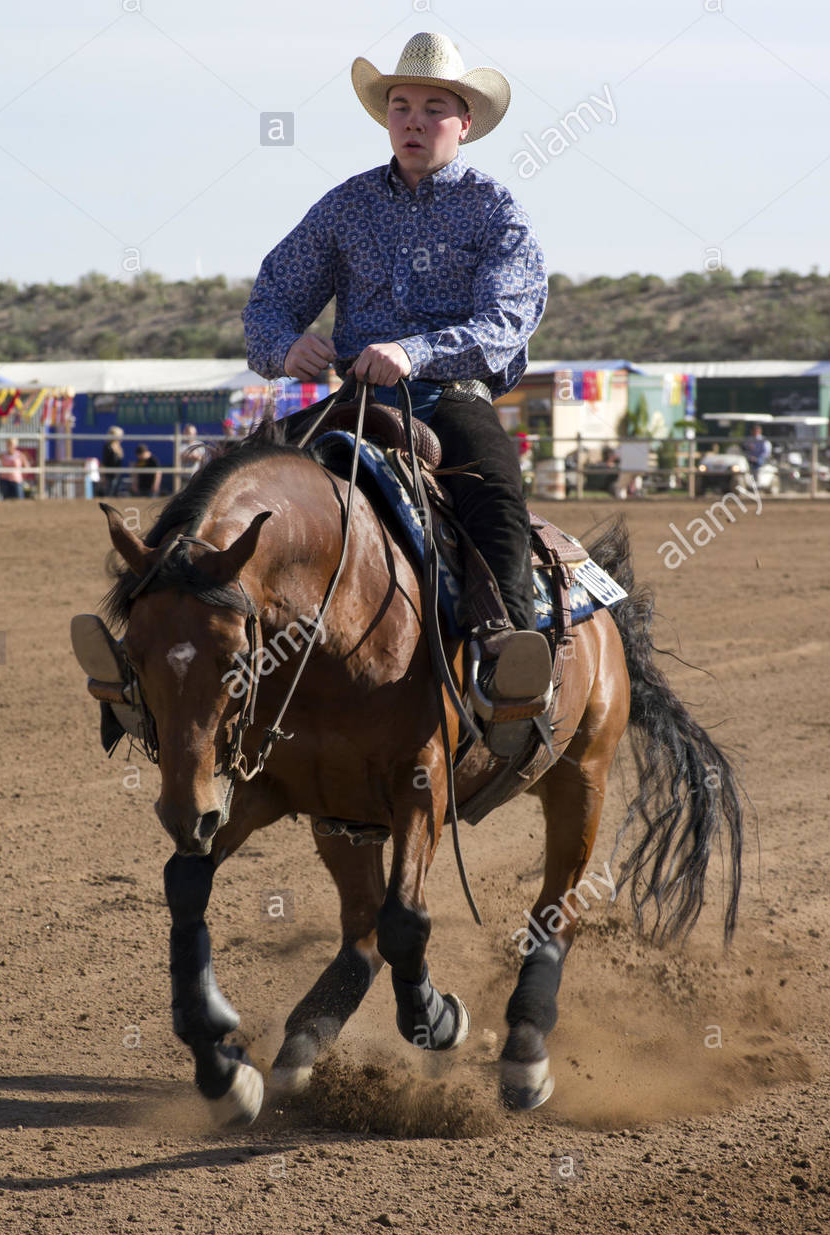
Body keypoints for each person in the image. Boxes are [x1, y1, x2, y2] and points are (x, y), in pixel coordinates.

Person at [242, 32, 552, 720]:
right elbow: (270, 299)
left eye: (433, 108)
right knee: (235, 475)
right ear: (386, 117)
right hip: (356, 400)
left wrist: (416, 352)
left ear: (464, 122)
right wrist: (283, 346)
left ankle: (506, 657)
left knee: (494, 494)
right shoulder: (344, 207)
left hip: (451, 400)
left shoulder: (494, 211)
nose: (413, 120)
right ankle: (172, 635)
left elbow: (508, 318)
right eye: (401, 106)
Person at [102, 426, 126, 496]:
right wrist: (103, 476)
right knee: (110, 493)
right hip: (109, 475)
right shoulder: (108, 447)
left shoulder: (118, 447)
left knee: (116, 493)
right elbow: (105, 461)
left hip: (117, 474)